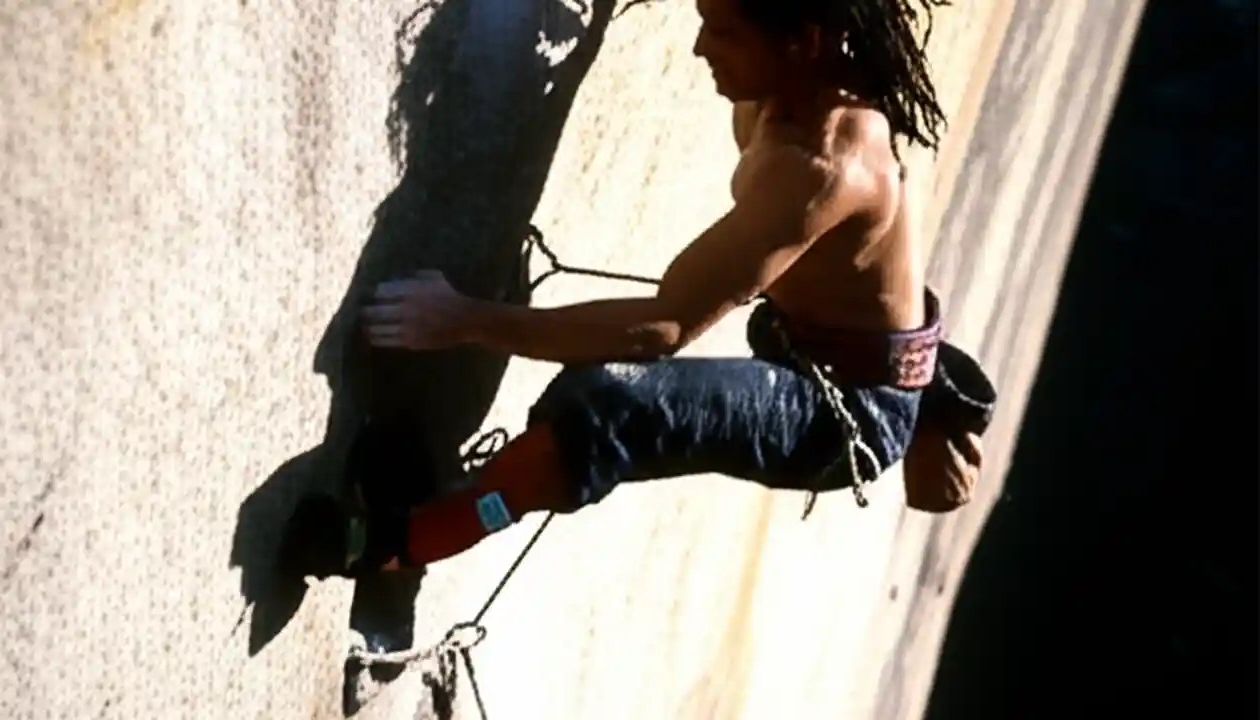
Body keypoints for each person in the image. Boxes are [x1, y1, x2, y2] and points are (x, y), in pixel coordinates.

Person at [293, 0, 994, 579]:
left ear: (804, 42)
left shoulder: (822, 169)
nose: (698, 47)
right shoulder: (799, 65)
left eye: (722, 32)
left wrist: (465, 319)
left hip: (847, 413)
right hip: (819, 336)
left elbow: (661, 326)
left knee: (607, 406)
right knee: (606, 397)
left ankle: (399, 546)